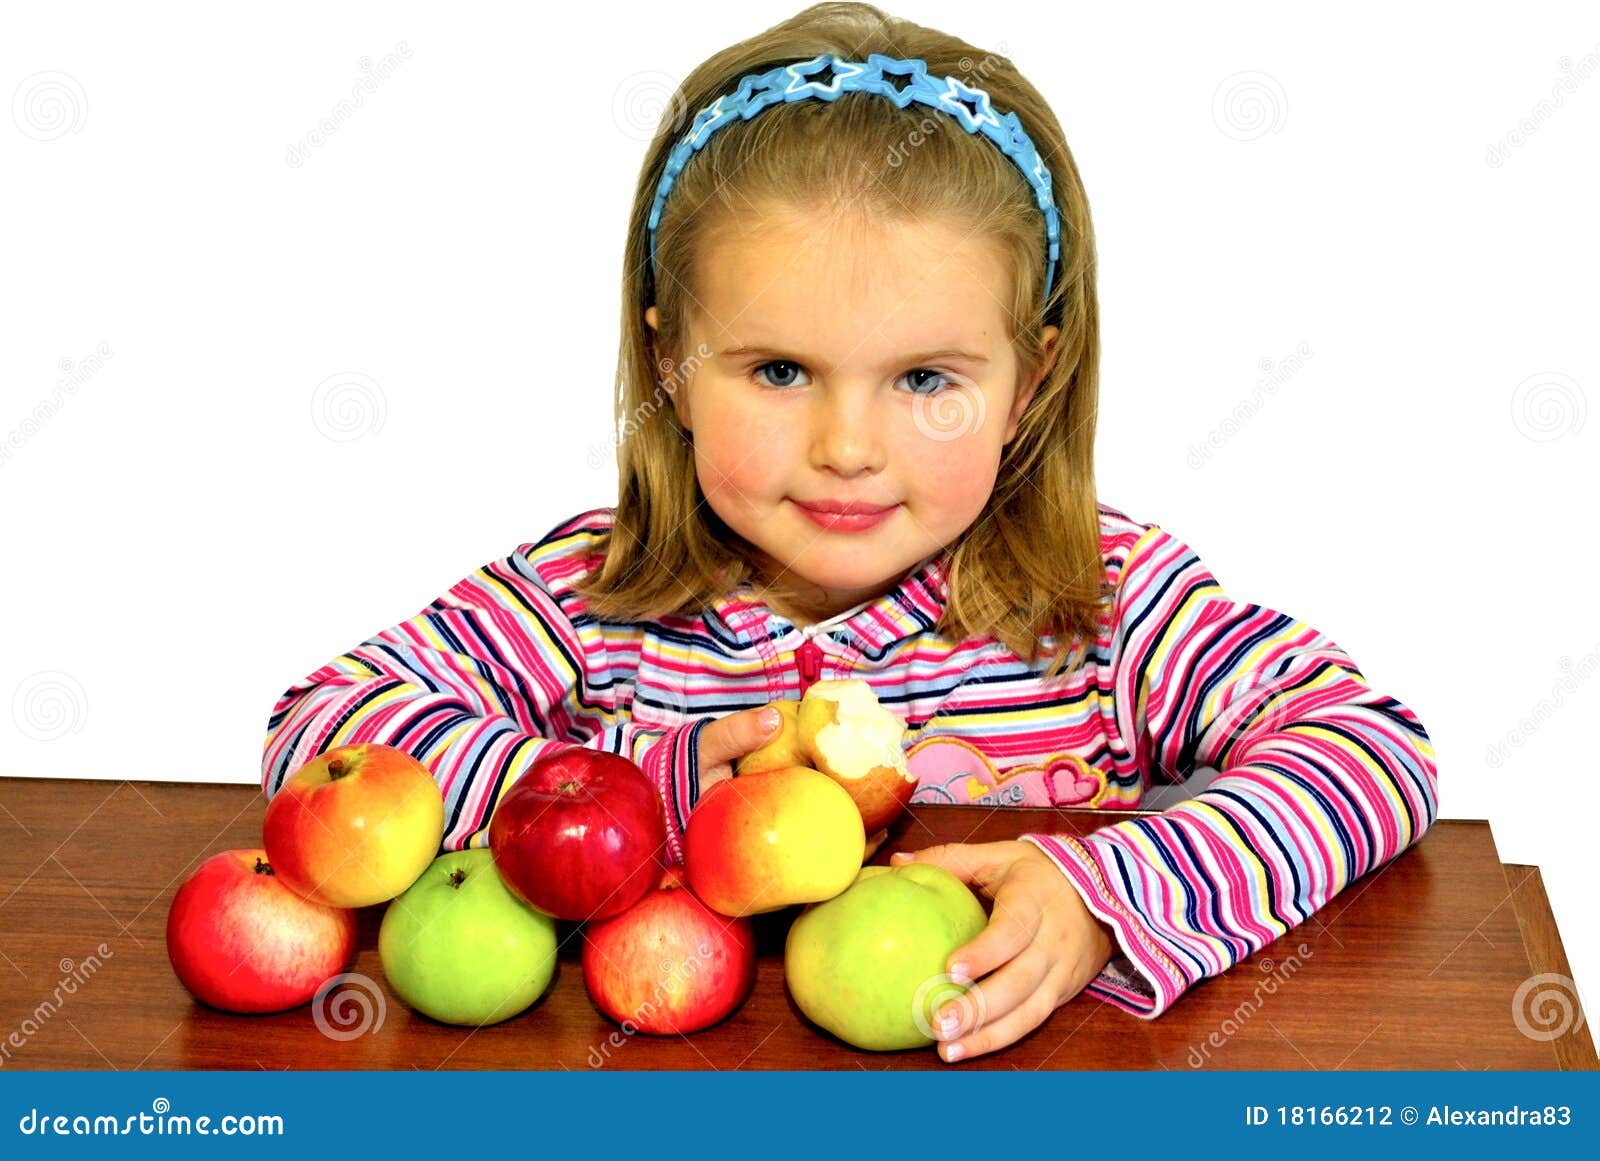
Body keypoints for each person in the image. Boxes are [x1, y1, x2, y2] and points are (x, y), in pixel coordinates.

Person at [261, 2, 1437, 1064]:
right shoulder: (597, 589)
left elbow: (1372, 749)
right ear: (671, 362)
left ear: (1030, 379)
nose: (847, 446)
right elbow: (322, 723)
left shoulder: (1106, 604)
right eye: (779, 370)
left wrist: (1106, 892)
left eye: (925, 377)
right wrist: (631, 794)